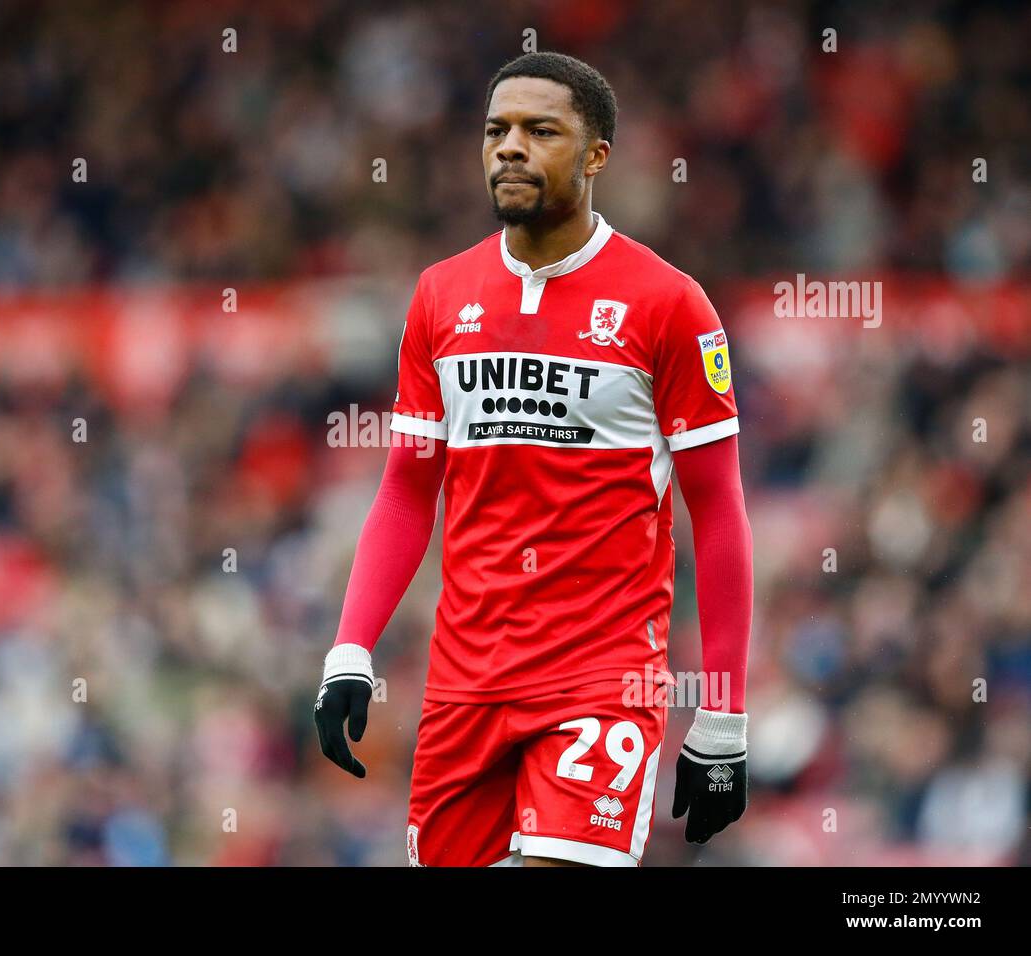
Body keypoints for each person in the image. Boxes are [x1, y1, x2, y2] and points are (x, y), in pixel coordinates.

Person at [315, 51, 753, 867]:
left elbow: (720, 513)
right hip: (463, 685)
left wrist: (721, 719)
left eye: (539, 130)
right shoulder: (441, 295)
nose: (509, 147)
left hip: (600, 679)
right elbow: (409, 490)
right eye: (496, 130)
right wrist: (350, 650)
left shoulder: (669, 304)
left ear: (596, 156)